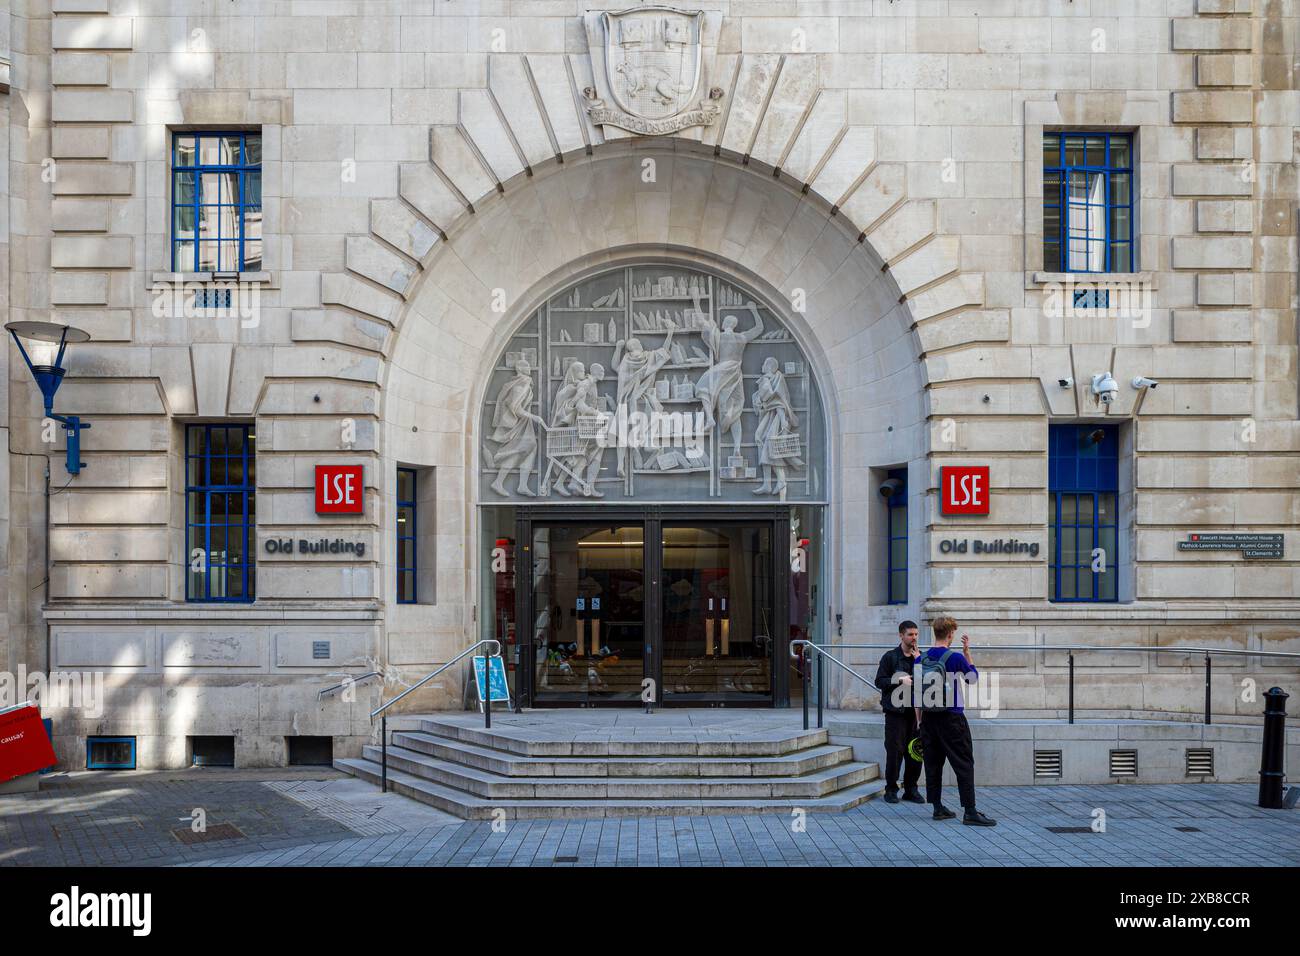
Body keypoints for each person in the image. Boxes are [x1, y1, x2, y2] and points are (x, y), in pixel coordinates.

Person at [914, 616, 996, 826]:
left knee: (933, 764)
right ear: (950, 634)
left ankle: (937, 808)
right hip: (952, 718)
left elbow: (915, 694)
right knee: (964, 763)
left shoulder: (919, 659)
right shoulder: (955, 657)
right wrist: (968, 654)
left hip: (928, 719)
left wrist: (919, 723)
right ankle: (969, 811)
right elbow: (973, 679)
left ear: (935, 633)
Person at [873, 620, 924, 805]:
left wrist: (920, 663)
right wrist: (899, 680)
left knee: (915, 752)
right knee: (895, 752)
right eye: (910, 634)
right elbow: (879, 681)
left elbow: (927, 683)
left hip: (916, 714)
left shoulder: (920, 657)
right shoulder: (890, 657)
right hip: (896, 713)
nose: (914, 638)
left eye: (916, 634)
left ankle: (911, 789)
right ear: (901, 635)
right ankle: (891, 789)